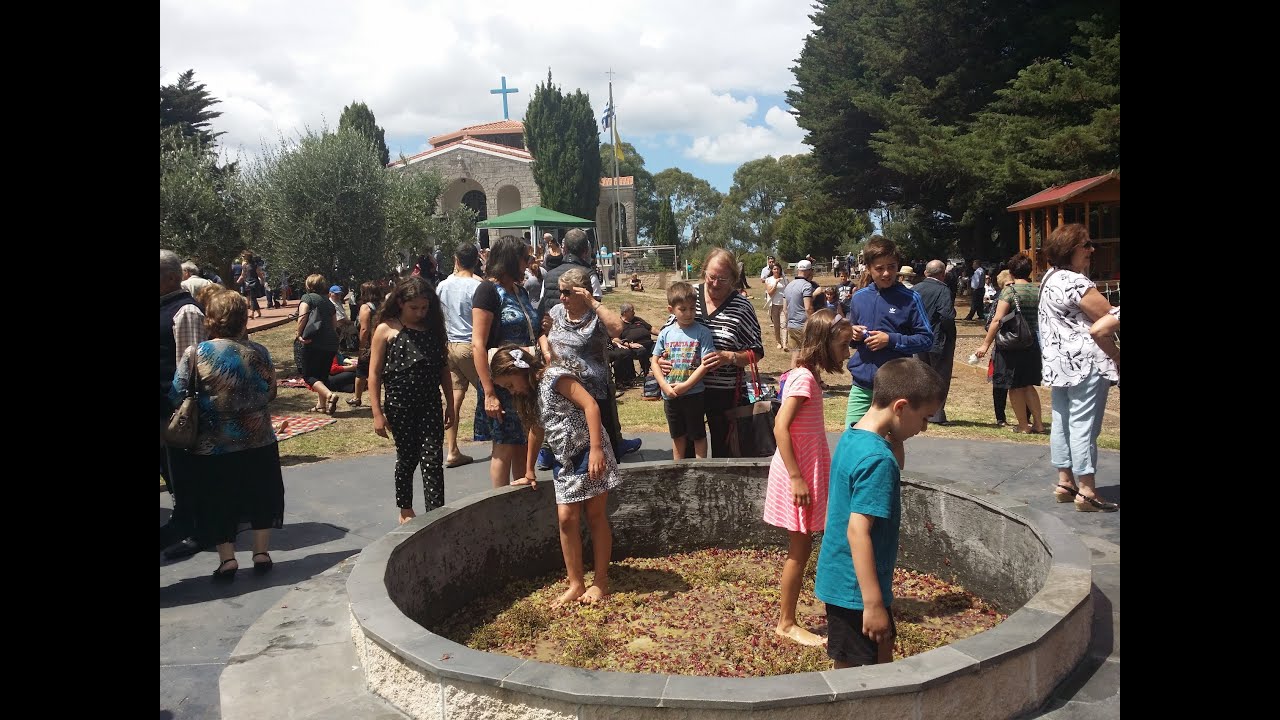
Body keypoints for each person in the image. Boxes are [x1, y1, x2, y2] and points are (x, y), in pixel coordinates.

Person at [816, 357, 944, 667]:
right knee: (855, 676)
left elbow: (895, 463)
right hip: (856, 590)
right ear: (900, 407)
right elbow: (857, 530)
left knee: (880, 655)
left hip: (846, 580)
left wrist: (895, 437)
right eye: (925, 417)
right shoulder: (877, 460)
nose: (924, 427)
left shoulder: (853, 435)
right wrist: (872, 604)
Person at [490, 344, 619, 607]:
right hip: (565, 459)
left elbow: (591, 406)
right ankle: (576, 582)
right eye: (505, 388)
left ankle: (600, 581)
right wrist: (528, 470)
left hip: (587, 451)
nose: (510, 391)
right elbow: (536, 430)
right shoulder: (531, 394)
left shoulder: (555, 377)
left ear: (519, 368)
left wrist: (596, 450)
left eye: (509, 384)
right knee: (566, 519)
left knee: (594, 515)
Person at [170, 290, 285, 582]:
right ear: (243, 319)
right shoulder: (259, 351)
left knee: (218, 500)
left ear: (211, 318)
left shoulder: (196, 353)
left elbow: (177, 391)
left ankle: (227, 560)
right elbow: (270, 391)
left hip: (213, 445)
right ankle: (261, 553)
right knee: (261, 494)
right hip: (258, 437)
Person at [764, 309, 853, 647]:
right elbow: (780, 427)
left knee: (802, 547)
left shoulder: (807, 374)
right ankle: (786, 623)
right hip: (798, 472)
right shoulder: (803, 378)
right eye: (843, 346)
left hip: (806, 468)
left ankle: (790, 617)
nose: (846, 353)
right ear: (824, 342)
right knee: (799, 550)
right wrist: (797, 478)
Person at [1038, 224, 1119, 512]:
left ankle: (1065, 481)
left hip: (1059, 363)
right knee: (1084, 425)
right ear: (1070, 249)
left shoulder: (1050, 278)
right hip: (1086, 363)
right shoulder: (1077, 282)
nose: (1091, 250)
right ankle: (1087, 490)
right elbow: (1107, 318)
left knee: (1062, 422)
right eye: (1086, 245)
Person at [656, 248, 764, 458]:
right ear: (704, 271)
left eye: (722, 279)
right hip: (685, 390)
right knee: (685, 447)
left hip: (723, 393)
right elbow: (666, 335)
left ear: (734, 278)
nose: (715, 283)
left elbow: (756, 352)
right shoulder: (689, 295)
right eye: (711, 277)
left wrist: (729, 357)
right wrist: (661, 360)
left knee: (725, 451)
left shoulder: (742, 306)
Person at [369, 277, 454, 524]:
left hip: (430, 403)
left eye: (424, 308)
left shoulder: (433, 329)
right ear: (400, 303)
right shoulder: (387, 329)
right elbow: (374, 374)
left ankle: (435, 511)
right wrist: (377, 413)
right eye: (414, 308)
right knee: (407, 456)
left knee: (432, 458)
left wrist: (450, 402)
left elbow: (443, 369)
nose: (420, 313)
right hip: (400, 405)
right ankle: (405, 507)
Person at [843, 235, 934, 468]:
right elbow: (852, 339)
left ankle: (894, 487)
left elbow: (926, 339)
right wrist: (852, 336)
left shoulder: (911, 298)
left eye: (891, 267)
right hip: (862, 385)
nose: (886, 273)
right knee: (853, 439)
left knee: (892, 440)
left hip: (894, 387)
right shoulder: (859, 298)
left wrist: (890, 340)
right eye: (879, 268)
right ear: (868, 268)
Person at [544, 267, 639, 458]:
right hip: (562, 393)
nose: (562, 297)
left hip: (593, 392)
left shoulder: (595, 317)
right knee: (569, 451)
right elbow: (544, 335)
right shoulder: (556, 312)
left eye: (567, 292)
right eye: (560, 291)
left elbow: (617, 329)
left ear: (582, 292)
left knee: (600, 454)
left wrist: (592, 301)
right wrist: (546, 349)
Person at [472, 235, 541, 487]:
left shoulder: (519, 290)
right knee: (503, 445)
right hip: (502, 382)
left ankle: (520, 503)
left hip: (524, 379)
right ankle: (498, 505)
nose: (529, 262)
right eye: (525, 258)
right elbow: (478, 343)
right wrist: (489, 392)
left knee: (523, 441)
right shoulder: (488, 291)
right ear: (512, 259)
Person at [160, 250, 208, 560]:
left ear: (171, 277)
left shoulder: (186, 312)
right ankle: (183, 519)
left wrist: (181, 407)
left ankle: (196, 529)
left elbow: (188, 365)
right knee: (171, 468)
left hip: (175, 407)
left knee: (184, 467)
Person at [974, 254, 1045, 434]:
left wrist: (985, 344)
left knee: (1013, 385)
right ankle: (1039, 423)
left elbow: (997, 320)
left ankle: (1023, 425)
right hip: (1032, 342)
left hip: (1012, 344)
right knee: (1028, 385)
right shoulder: (1038, 290)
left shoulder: (1009, 291)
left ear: (1011, 272)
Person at [652, 281, 720, 460]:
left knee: (697, 434)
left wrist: (686, 385)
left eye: (692, 308)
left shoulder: (702, 332)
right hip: (671, 395)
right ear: (671, 309)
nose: (689, 313)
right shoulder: (665, 333)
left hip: (694, 394)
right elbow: (654, 361)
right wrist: (664, 386)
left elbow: (706, 364)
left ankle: (701, 470)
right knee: (677, 435)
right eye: (683, 309)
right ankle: (678, 470)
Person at [436, 243, 486, 466]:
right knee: (492, 390)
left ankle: (452, 448)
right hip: (470, 344)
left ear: (456, 259)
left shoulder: (443, 285)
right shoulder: (478, 286)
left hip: (449, 345)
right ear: (477, 260)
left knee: (455, 396)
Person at [912, 260, 956, 425]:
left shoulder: (916, 289)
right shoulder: (943, 290)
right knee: (940, 377)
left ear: (925, 273)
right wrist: (950, 335)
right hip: (938, 339)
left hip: (918, 339)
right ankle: (936, 414)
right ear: (943, 274)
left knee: (921, 377)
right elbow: (947, 315)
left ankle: (919, 412)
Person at [296, 273, 342, 414]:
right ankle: (321, 406)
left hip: (313, 341)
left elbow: (302, 317)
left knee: (308, 375)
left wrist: (298, 334)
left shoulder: (307, 298)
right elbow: (335, 325)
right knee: (322, 375)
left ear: (309, 285)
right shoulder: (329, 302)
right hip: (330, 343)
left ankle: (329, 396)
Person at [347, 282, 382, 407]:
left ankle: (357, 397)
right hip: (382, 342)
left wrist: (362, 347)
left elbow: (364, 329)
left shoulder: (365, 307)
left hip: (369, 344)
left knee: (362, 371)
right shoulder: (382, 306)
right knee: (379, 371)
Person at [607, 302, 654, 387]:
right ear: (625, 312)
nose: (634, 312)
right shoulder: (618, 324)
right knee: (641, 350)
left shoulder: (637, 319)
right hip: (633, 347)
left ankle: (661, 373)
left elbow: (651, 328)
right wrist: (628, 344)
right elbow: (614, 338)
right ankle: (647, 372)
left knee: (662, 349)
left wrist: (663, 334)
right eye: (632, 310)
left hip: (649, 343)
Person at [783, 259, 818, 358]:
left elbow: (785, 309)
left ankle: (794, 372)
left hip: (791, 325)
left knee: (795, 355)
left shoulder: (789, 286)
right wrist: (813, 324)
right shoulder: (806, 285)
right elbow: (808, 308)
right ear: (808, 271)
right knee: (807, 356)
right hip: (803, 326)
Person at [764, 263, 788, 350]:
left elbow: (788, 290)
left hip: (783, 305)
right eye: (774, 269)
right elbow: (770, 292)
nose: (776, 271)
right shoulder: (769, 280)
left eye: (778, 269)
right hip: (774, 305)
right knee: (776, 325)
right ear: (772, 270)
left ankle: (785, 344)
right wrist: (776, 283)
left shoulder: (785, 279)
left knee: (784, 324)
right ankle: (778, 342)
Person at [238, 251, 266, 319]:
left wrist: (262, 280)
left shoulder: (255, 265)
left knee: (252, 298)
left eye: (244, 256)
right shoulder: (244, 265)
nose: (243, 257)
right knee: (253, 298)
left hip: (254, 282)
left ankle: (252, 313)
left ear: (248, 257)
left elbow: (259, 273)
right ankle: (259, 312)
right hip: (247, 283)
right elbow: (243, 274)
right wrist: (238, 281)